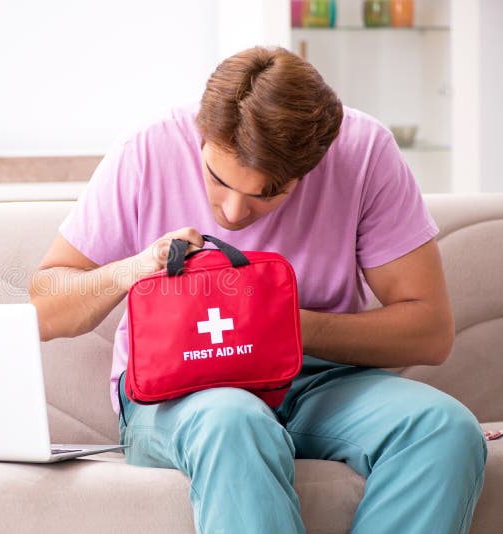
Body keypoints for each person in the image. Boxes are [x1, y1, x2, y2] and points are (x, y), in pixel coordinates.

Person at [28, 46, 487, 533]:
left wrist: (273, 326)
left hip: (319, 383)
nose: (231, 213)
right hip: (181, 392)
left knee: (444, 430)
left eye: (267, 194)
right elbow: (45, 306)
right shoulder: (146, 149)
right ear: (200, 134)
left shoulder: (363, 151)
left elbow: (429, 333)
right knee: (235, 420)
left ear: (313, 165)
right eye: (217, 179)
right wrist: (132, 270)